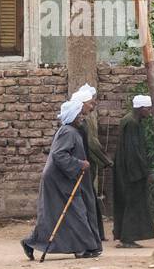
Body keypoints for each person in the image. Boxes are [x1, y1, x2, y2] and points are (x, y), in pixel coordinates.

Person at [21, 99, 101, 260]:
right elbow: (59, 155)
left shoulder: (71, 131)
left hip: (64, 178)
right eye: (78, 115)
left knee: (63, 214)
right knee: (75, 211)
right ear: (72, 116)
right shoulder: (68, 132)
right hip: (58, 180)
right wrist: (79, 164)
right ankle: (83, 247)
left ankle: (32, 242)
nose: (81, 117)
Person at [112, 94, 154, 249]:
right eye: (149, 109)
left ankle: (124, 236)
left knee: (127, 203)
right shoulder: (132, 123)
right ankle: (128, 238)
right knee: (133, 203)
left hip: (126, 170)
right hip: (131, 172)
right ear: (141, 108)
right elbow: (134, 152)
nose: (150, 112)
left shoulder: (130, 120)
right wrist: (145, 172)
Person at [71, 83, 109, 243]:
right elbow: (91, 144)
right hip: (81, 166)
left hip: (87, 165)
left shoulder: (86, 120)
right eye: (91, 103)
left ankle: (94, 235)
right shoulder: (76, 123)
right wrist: (105, 160)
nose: (93, 106)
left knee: (90, 200)